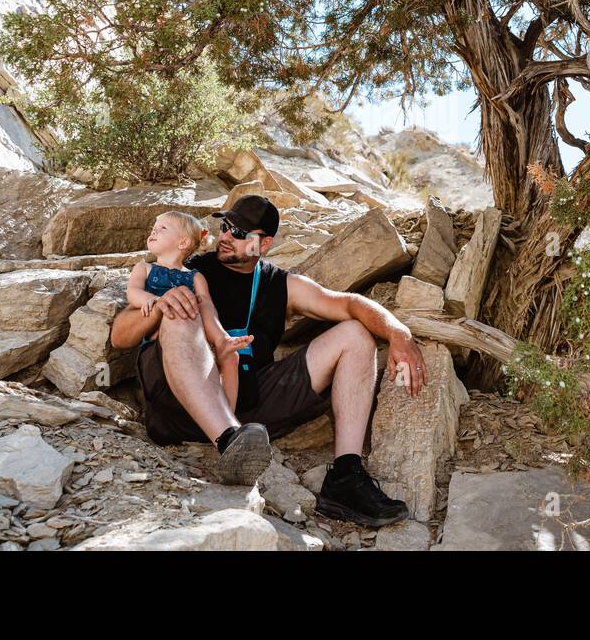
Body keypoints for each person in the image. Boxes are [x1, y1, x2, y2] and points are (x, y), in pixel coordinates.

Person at [111, 194, 429, 526]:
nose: (226, 236)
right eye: (225, 227)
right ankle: (227, 440)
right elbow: (120, 335)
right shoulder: (190, 270)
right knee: (181, 308)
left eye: (238, 232)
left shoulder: (280, 284)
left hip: (250, 409)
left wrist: (398, 333)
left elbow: (347, 303)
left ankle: (346, 476)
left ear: (264, 245)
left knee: (356, 334)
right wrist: (161, 307)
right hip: (178, 406)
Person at [124, 211, 252, 413]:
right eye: (153, 229)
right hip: (158, 335)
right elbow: (133, 292)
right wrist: (152, 300)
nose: (154, 232)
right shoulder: (145, 268)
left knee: (231, 354)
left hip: (193, 335)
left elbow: (209, 309)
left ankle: (229, 416)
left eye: (162, 229)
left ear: (182, 243)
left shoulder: (195, 277)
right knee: (178, 310)